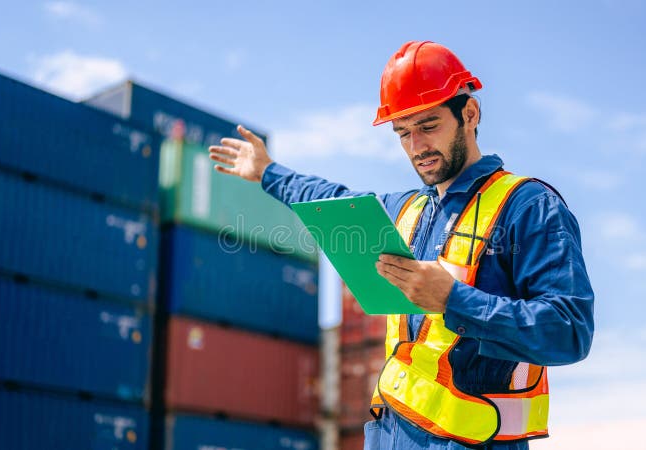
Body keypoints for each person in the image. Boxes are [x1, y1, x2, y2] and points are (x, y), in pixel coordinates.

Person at [209, 40, 594, 450]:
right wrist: (268, 172)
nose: (416, 147)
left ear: (469, 113)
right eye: (403, 133)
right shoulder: (406, 211)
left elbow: (570, 330)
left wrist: (452, 299)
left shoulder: (529, 207)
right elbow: (328, 197)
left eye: (428, 126)